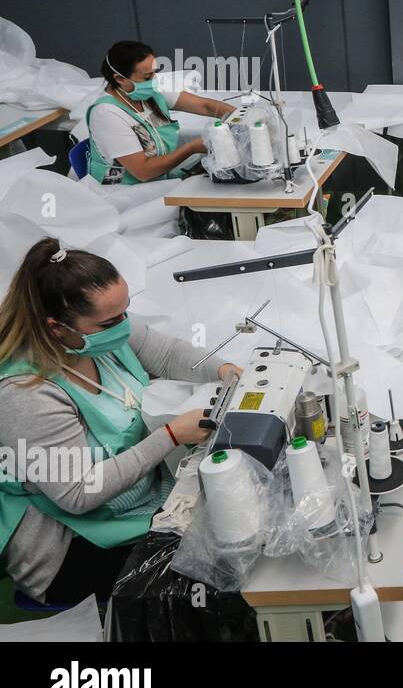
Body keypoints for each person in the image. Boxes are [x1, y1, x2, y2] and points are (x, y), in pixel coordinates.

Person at [0, 238, 238, 605]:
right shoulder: (26, 393)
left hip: (139, 504)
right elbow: (77, 494)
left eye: (126, 312)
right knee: (217, 573)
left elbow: (168, 353)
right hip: (73, 547)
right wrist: (170, 436)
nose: (124, 326)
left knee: (236, 525)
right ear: (57, 328)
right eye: (111, 320)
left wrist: (222, 369)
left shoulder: (101, 335)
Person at [85, 40, 235, 184]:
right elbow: (143, 171)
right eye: (147, 76)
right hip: (128, 190)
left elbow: (205, 106)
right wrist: (192, 148)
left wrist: (241, 117)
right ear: (120, 79)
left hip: (162, 175)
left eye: (154, 73)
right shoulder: (106, 114)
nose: (154, 80)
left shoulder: (150, 92)